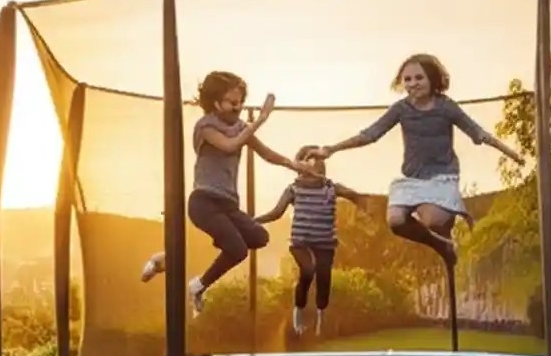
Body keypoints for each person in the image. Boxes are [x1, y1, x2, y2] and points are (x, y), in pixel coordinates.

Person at [305, 53, 524, 266]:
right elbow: (370, 134)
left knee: (433, 221)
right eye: (407, 79)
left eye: (419, 78)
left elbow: (478, 132)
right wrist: (331, 149)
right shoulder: (401, 109)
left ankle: (444, 229)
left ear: (432, 79)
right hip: (412, 179)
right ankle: (442, 245)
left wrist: (511, 153)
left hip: (442, 176)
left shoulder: (446, 107)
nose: (413, 83)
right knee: (396, 221)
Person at [139, 71, 318, 315]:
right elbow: (229, 145)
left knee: (258, 237)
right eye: (233, 103)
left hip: (228, 205)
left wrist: (294, 165)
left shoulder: (240, 127)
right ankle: (198, 286)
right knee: (237, 249)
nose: (238, 108)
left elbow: (267, 154)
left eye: (241, 102)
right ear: (215, 103)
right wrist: (261, 120)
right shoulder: (206, 126)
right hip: (204, 201)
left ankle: (164, 259)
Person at [254, 145, 363, 335]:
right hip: (301, 242)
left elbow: (355, 196)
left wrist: (361, 201)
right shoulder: (293, 189)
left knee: (323, 275)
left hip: (325, 241)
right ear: (301, 165)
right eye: (314, 159)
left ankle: (321, 317)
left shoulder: (331, 188)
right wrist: (254, 220)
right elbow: (276, 212)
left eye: (321, 160)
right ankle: (298, 313)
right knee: (308, 269)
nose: (320, 163)